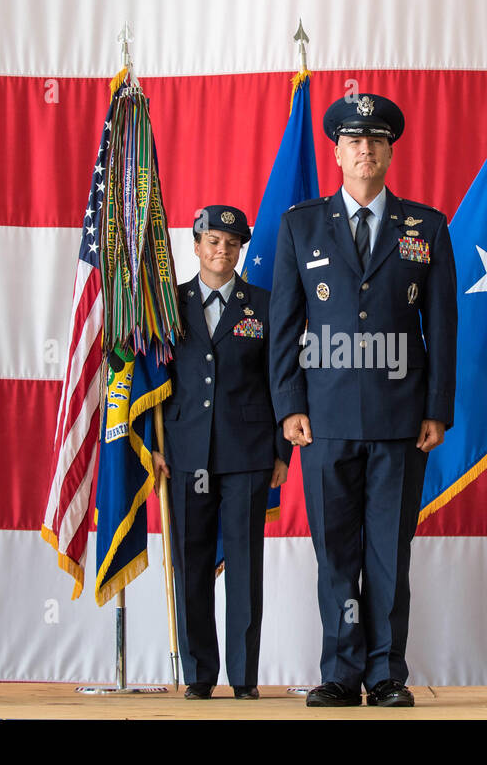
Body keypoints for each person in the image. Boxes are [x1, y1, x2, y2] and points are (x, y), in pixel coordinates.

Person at [268, 93, 457, 707]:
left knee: (386, 553)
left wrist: (437, 407)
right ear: (337, 152)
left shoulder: (425, 226)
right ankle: (340, 672)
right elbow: (283, 324)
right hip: (323, 420)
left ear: (390, 151)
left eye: (376, 140)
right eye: (354, 141)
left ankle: (386, 674)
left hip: (401, 419)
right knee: (335, 554)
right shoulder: (301, 224)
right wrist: (290, 404)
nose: (365, 150)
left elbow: (443, 326)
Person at [151, 205, 291, 700]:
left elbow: (281, 380)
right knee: (189, 567)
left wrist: (281, 452)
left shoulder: (265, 304)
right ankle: (198, 675)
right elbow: (153, 380)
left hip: (249, 454)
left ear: (240, 250)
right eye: (213, 241)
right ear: (195, 245)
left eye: (231, 243)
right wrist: (154, 448)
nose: (221, 250)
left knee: (245, 570)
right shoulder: (168, 304)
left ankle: (245, 677)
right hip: (185, 452)